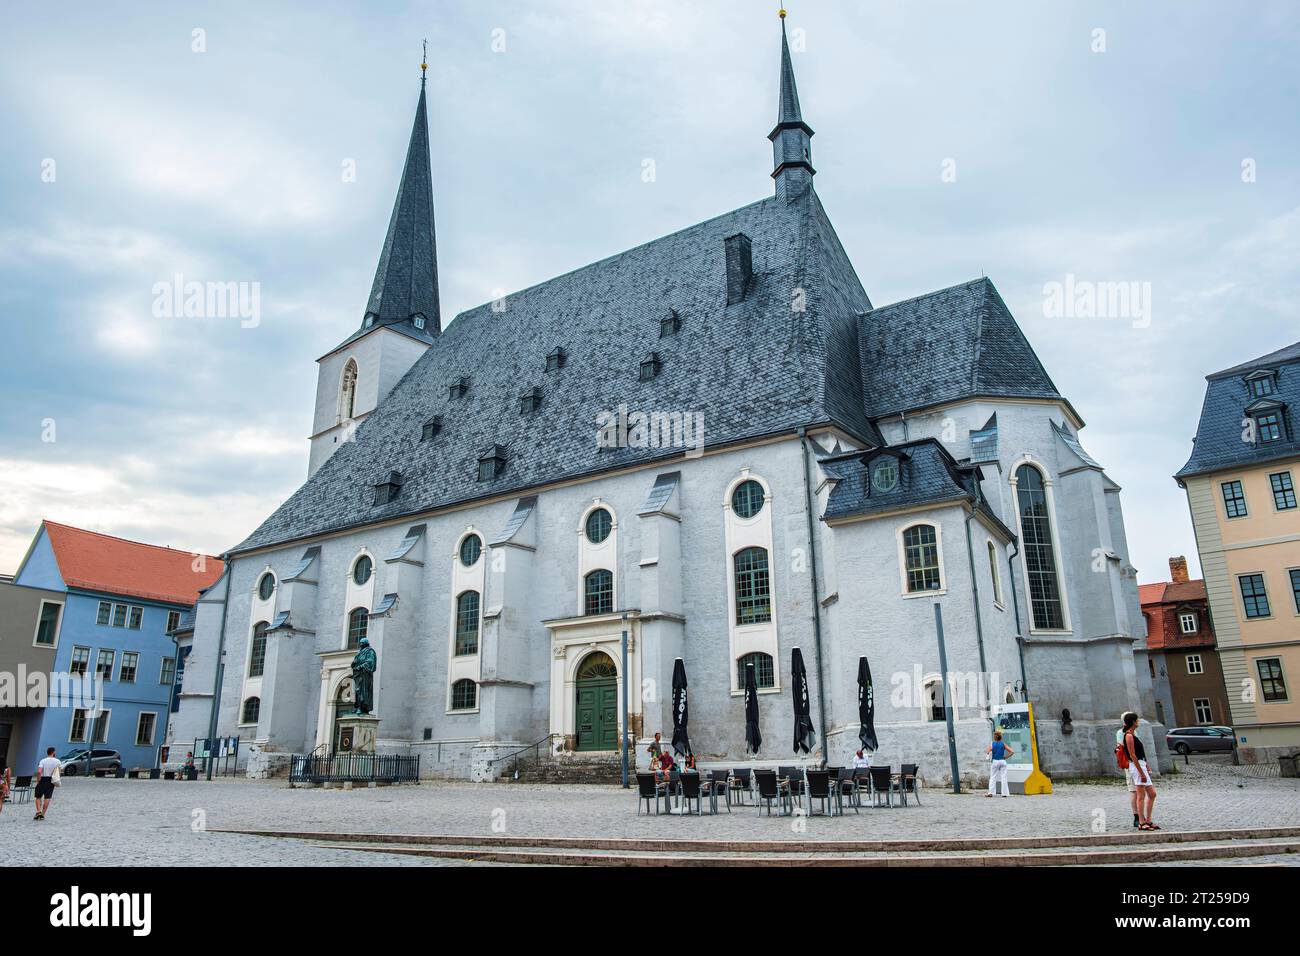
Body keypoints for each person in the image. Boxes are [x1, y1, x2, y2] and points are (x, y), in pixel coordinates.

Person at [1123, 712, 1158, 830]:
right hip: (1136, 766)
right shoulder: (1128, 735)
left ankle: (1148, 820)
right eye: (1137, 720)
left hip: (1141, 765)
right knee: (1141, 795)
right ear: (1133, 722)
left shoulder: (1133, 734)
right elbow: (1132, 755)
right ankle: (1142, 822)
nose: (1138, 722)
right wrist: (1141, 773)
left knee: (1152, 794)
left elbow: (1140, 753)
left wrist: (1146, 766)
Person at [1116, 714, 1140, 828]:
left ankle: (1139, 816)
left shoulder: (1132, 732)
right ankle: (1137, 816)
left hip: (1137, 763)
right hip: (1131, 764)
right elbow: (1129, 752)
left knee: (1136, 791)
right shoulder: (1124, 733)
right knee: (1134, 791)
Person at [34, 746, 60, 821]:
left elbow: (39, 771)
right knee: (47, 797)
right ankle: (43, 814)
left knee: (38, 796)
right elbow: (59, 772)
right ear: (54, 752)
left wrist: (38, 780)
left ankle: (38, 811)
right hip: (51, 780)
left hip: (43, 779)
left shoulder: (43, 761)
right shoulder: (57, 761)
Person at [985, 731, 1014, 797]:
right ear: (1000, 737)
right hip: (1003, 761)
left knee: (993, 777)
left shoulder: (992, 744)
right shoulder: (1003, 744)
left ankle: (990, 793)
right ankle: (1004, 793)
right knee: (1004, 777)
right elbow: (1012, 751)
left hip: (995, 761)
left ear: (994, 737)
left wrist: (990, 751)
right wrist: (1005, 757)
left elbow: (987, 751)